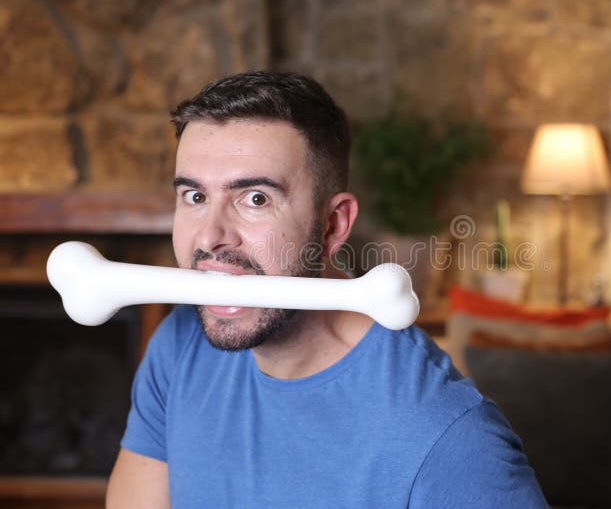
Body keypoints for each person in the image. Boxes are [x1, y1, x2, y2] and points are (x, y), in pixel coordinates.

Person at [106, 70, 548, 508]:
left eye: (256, 198)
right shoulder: (178, 349)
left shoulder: (453, 441)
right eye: (195, 197)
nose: (208, 238)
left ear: (333, 224)